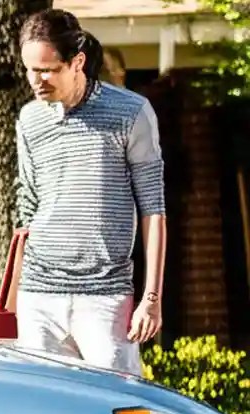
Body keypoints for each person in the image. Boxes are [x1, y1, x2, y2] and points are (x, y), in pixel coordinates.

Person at [11, 9, 167, 375]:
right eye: (30, 69)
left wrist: (151, 299)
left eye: (47, 69)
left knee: (118, 407)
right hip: (38, 295)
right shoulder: (30, 119)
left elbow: (154, 211)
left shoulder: (131, 113)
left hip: (105, 296)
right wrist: (10, 302)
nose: (36, 80)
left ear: (77, 61)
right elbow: (27, 210)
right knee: (40, 411)